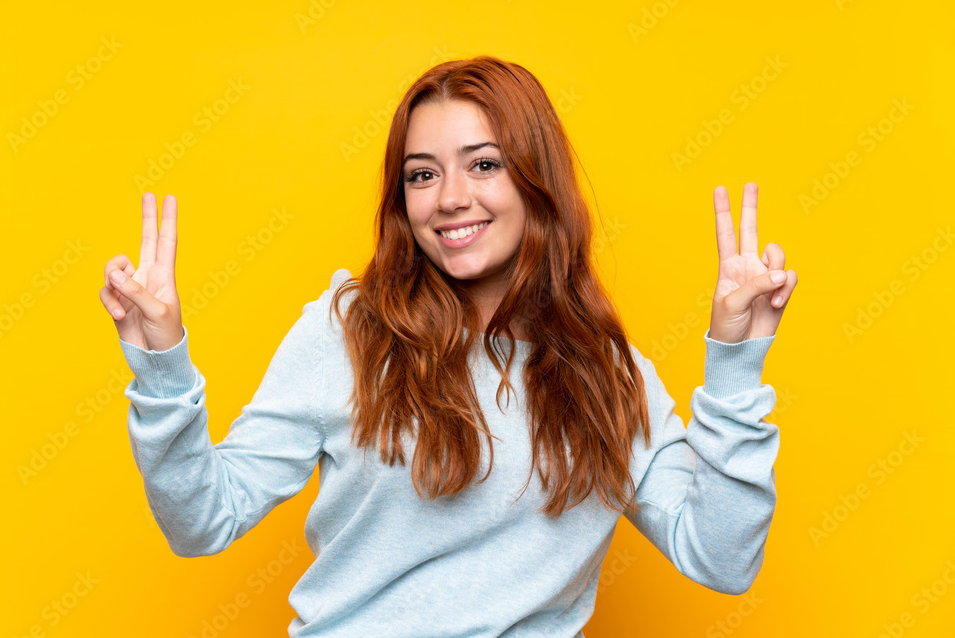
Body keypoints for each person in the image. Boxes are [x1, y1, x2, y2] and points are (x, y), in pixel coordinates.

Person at [98, 55, 798, 637]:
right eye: (423, 174)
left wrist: (736, 365)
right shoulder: (349, 334)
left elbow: (721, 556)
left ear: (537, 180)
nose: (449, 197)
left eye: (484, 164)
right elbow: (203, 520)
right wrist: (162, 367)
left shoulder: (606, 372)